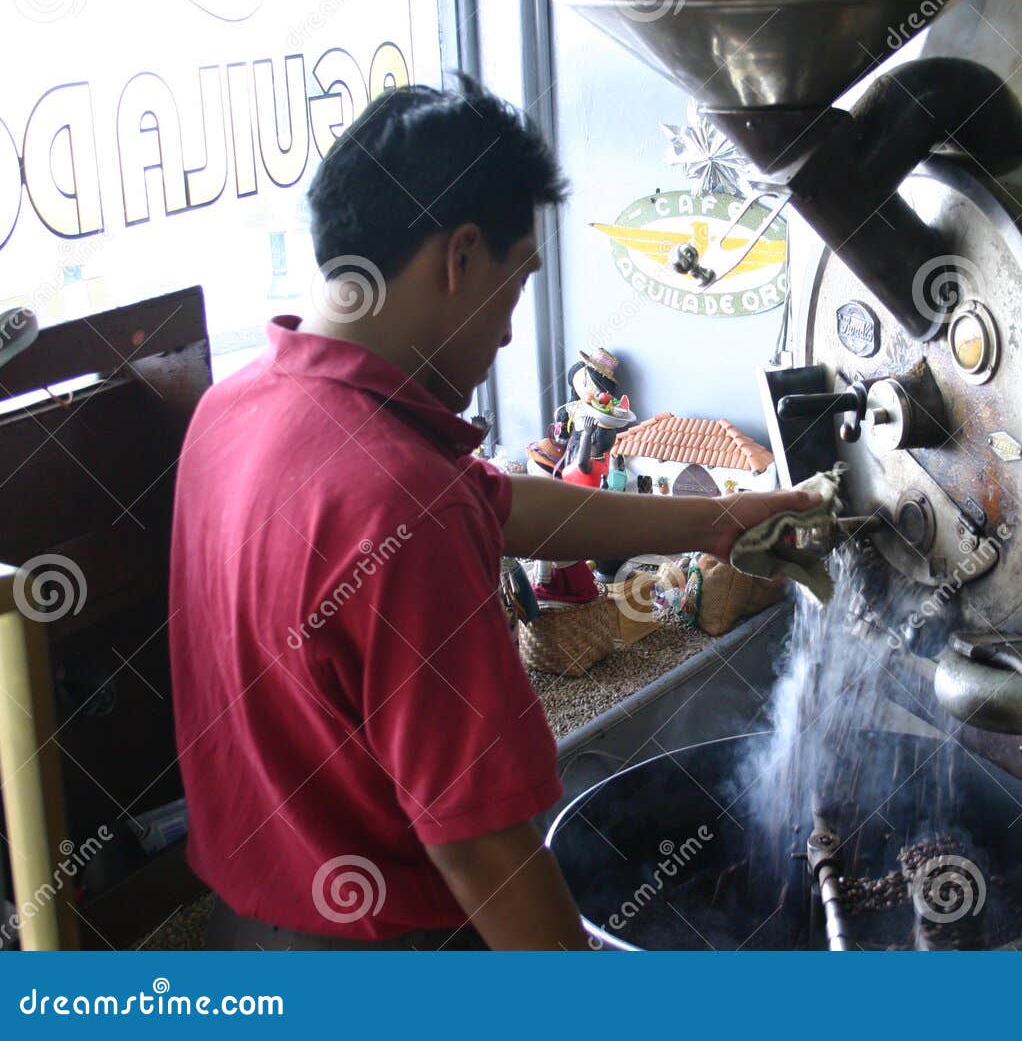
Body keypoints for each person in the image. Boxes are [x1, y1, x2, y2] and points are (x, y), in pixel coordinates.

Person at [168, 77, 814, 950]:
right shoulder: (401, 502)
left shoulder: (236, 410)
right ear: (459, 256)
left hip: (241, 930)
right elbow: (485, 849)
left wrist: (715, 522)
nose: (511, 332)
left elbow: (492, 502)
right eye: (517, 287)